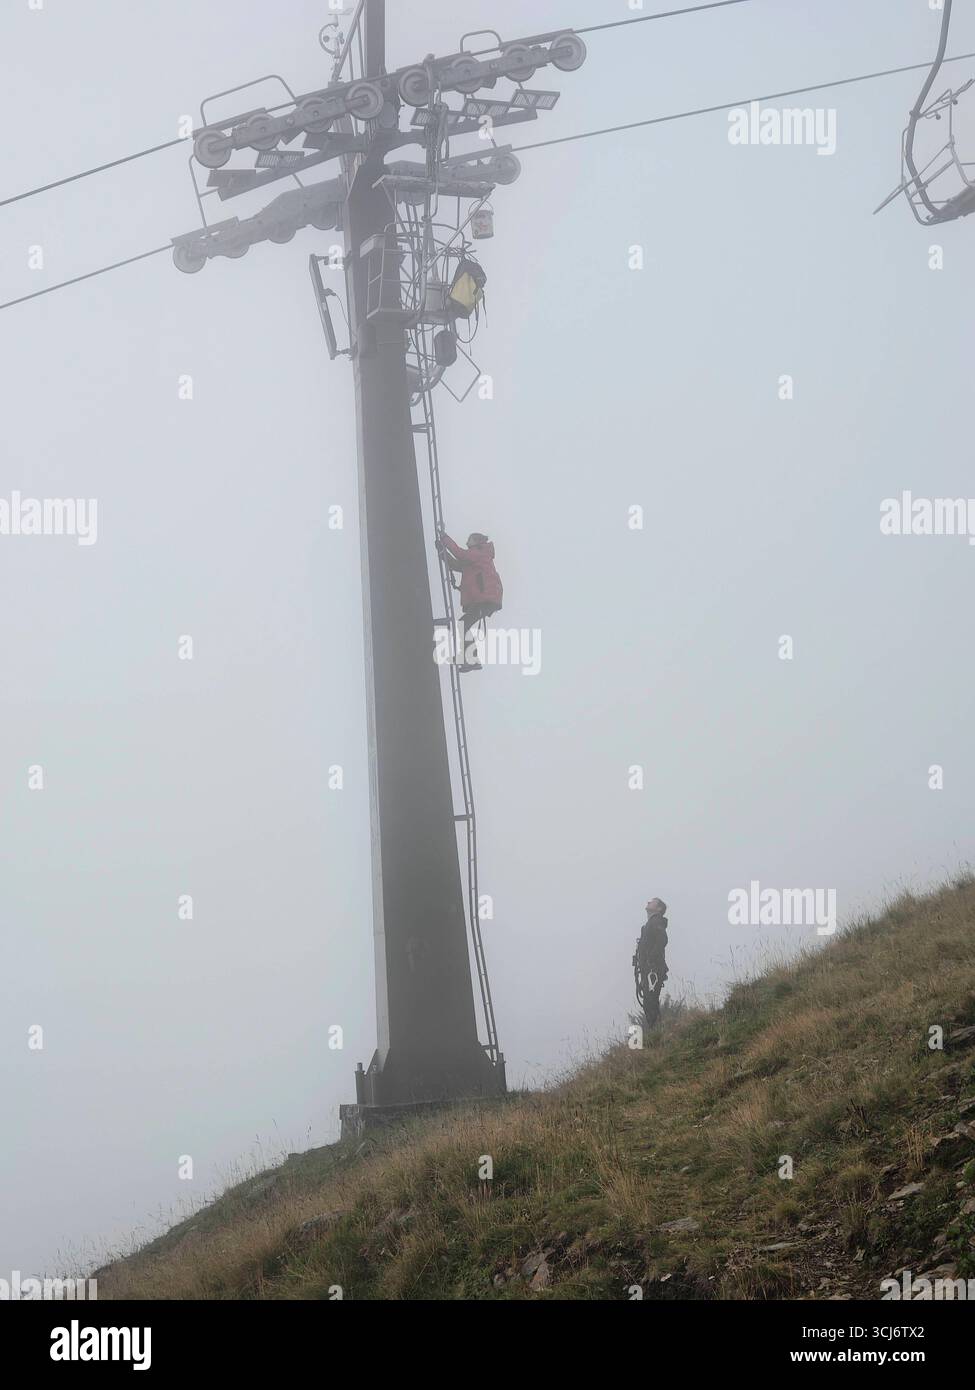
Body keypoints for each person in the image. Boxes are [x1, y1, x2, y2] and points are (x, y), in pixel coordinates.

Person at [436, 530, 503, 673]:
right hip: (485, 600)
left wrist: (445, 539)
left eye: (470, 540)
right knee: (463, 625)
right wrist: (443, 553)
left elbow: (460, 554)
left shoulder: (479, 552)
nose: (467, 543)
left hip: (485, 600)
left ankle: (471, 659)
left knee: (462, 624)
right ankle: (468, 657)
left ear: (477, 541)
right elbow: (457, 565)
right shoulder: (476, 557)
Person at [634, 898, 669, 1028]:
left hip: (652, 970)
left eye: (652, 901)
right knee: (649, 1001)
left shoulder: (655, 922)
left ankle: (657, 1031)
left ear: (659, 908)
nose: (648, 902)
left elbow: (663, 940)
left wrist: (650, 960)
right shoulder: (652, 923)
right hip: (649, 969)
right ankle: (657, 1031)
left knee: (650, 1001)